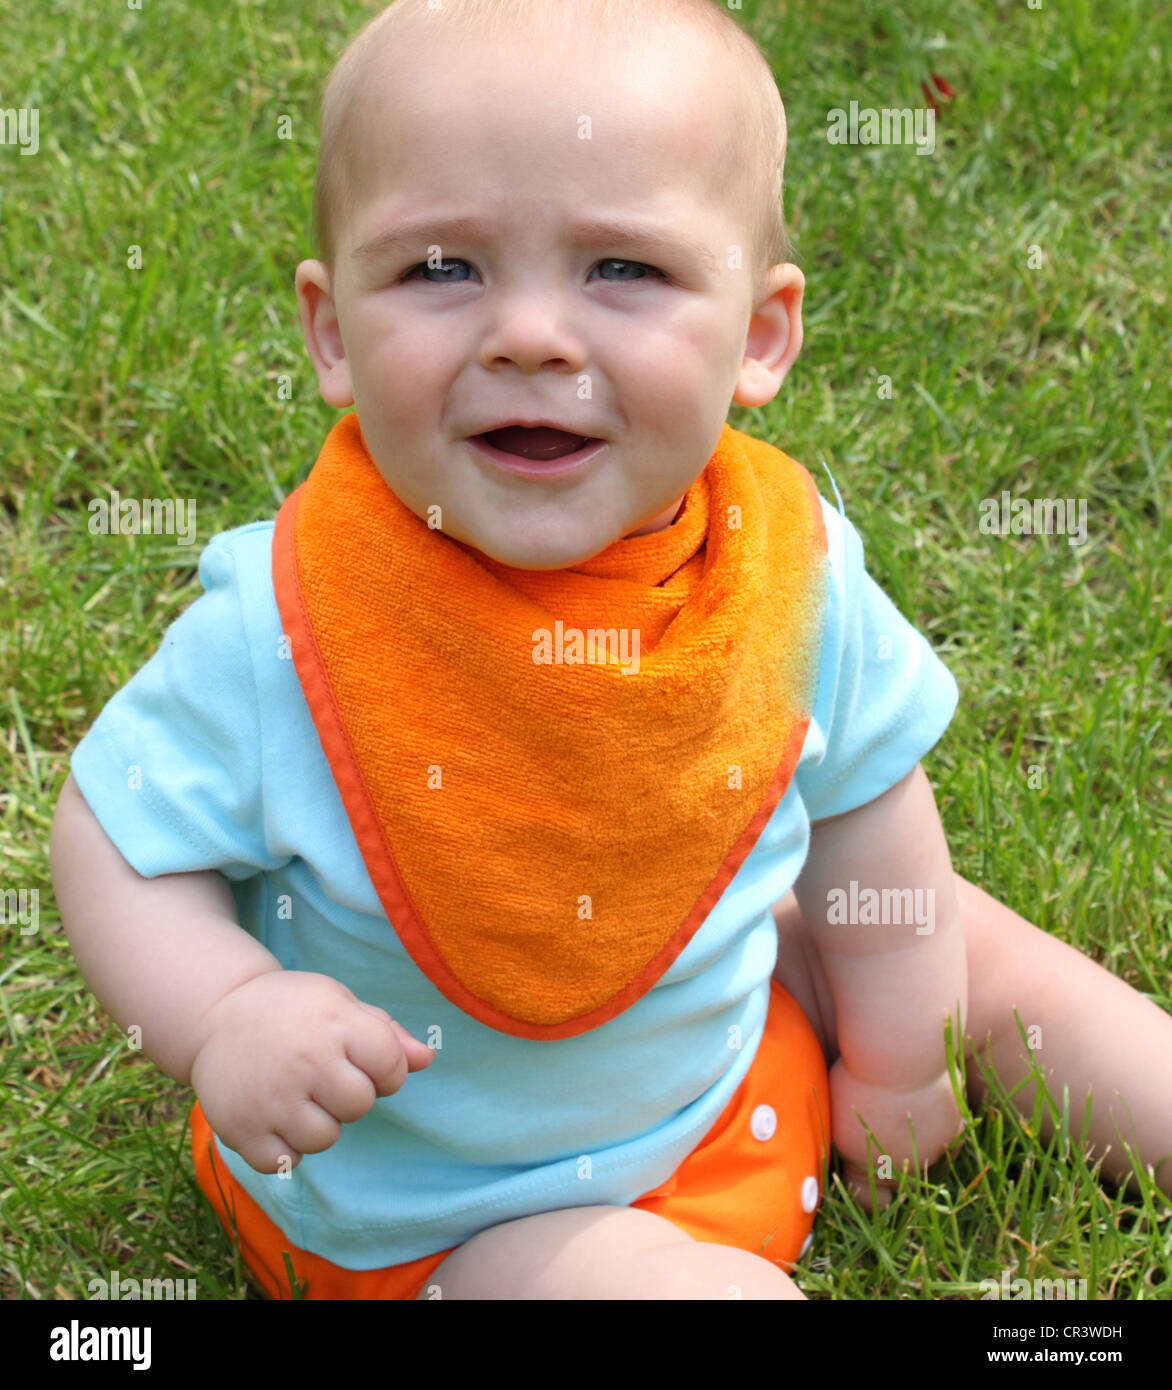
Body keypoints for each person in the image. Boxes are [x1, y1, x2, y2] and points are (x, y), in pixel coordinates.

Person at [49, 0, 1172, 1301]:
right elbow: (116, 836)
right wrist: (227, 1012)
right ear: (334, 331)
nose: (531, 333)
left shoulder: (786, 568)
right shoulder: (290, 629)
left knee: (952, 939)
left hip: (731, 1033)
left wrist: (899, 1059)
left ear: (759, 334)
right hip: (463, 1208)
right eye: (440, 269)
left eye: (622, 270)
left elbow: (868, 805)